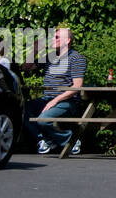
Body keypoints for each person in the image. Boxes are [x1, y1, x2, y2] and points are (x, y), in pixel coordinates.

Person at [23, 27, 85, 155]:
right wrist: (35, 50)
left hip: (67, 101)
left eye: (56, 37)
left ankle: (70, 140)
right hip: (47, 99)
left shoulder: (76, 58)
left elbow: (77, 86)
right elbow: (25, 67)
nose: (52, 39)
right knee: (22, 110)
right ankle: (44, 140)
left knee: (43, 119)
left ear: (67, 41)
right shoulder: (49, 57)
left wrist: (55, 100)